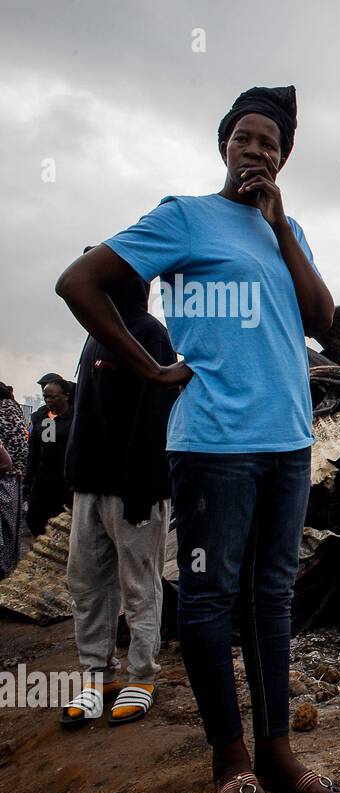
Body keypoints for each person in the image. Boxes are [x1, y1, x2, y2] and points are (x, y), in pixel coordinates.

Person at [55, 84, 340, 793]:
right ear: (225, 146)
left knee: (272, 597)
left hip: (288, 441)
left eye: (271, 146)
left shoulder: (290, 229)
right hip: (214, 444)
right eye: (246, 139)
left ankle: (278, 751)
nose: (258, 152)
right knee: (212, 598)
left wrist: (280, 228)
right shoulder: (184, 217)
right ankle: (231, 758)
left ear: (283, 162)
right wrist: (149, 369)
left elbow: (322, 317)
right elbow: (81, 282)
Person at [59, 254, 178, 728]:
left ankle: (142, 676)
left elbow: (154, 422)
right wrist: (75, 480)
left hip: (135, 491)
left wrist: (140, 489)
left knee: (139, 585)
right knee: (86, 583)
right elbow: (88, 414)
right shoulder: (96, 334)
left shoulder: (150, 335)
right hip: (90, 487)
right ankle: (96, 674)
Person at [24, 376, 75, 535]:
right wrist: (28, 480)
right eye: (46, 396)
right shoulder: (45, 418)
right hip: (44, 480)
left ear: (66, 395)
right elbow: (40, 450)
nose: (48, 400)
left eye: (53, 396)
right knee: (35, 520)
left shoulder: (76, 418)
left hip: (67, 482)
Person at [0, 381, 27, 577]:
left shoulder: (3, 410)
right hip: (13, 477)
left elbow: (6, 458)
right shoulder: (13, 408)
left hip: (4, 476)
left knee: (5, 525)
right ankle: (7, 564)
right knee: (9, 525)